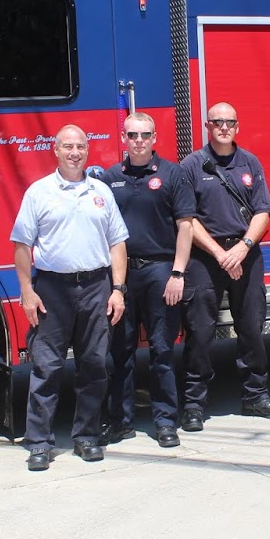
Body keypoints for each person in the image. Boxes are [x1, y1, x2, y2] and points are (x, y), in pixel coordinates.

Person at [10, 124, 130, 471]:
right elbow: (22, 245)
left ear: (87, 150)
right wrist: (27, 292)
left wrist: (118, 290)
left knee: (94, 367)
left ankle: (87, 437)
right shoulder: (39, 192)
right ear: (55, 150)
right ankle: (39, 443)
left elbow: (117, 243)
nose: (74, 153)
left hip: (96, 287)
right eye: (67, 147)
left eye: (80, 146)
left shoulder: (101, 192)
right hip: (52, 290)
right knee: (46, 368)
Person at [180, 102, 270, 429]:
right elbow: (187, 218)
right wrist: (219, 253)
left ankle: (255, 396)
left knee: (252, 327)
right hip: (205, 256)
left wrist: (241, 248)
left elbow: (262, 212)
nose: (223, 127)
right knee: (200, 331)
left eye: (229, 122)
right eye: (217, 122)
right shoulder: (191, 165)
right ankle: (194, 404)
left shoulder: (250, 162)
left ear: (237, 126)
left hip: (245, 253)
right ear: (207, 126)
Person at [100, 111, 196, 449]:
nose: (138, 141)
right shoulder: (109, 178)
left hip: (161, 273)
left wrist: (178, 273)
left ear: (155, 138)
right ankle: (120, 421)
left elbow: (186, 226)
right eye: (132, 135)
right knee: (121, 352)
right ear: (123, 138)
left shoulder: (173, 174)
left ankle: (166, 421)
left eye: (145, 135)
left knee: (162, 350)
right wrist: (115, 285)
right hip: (123, 276)